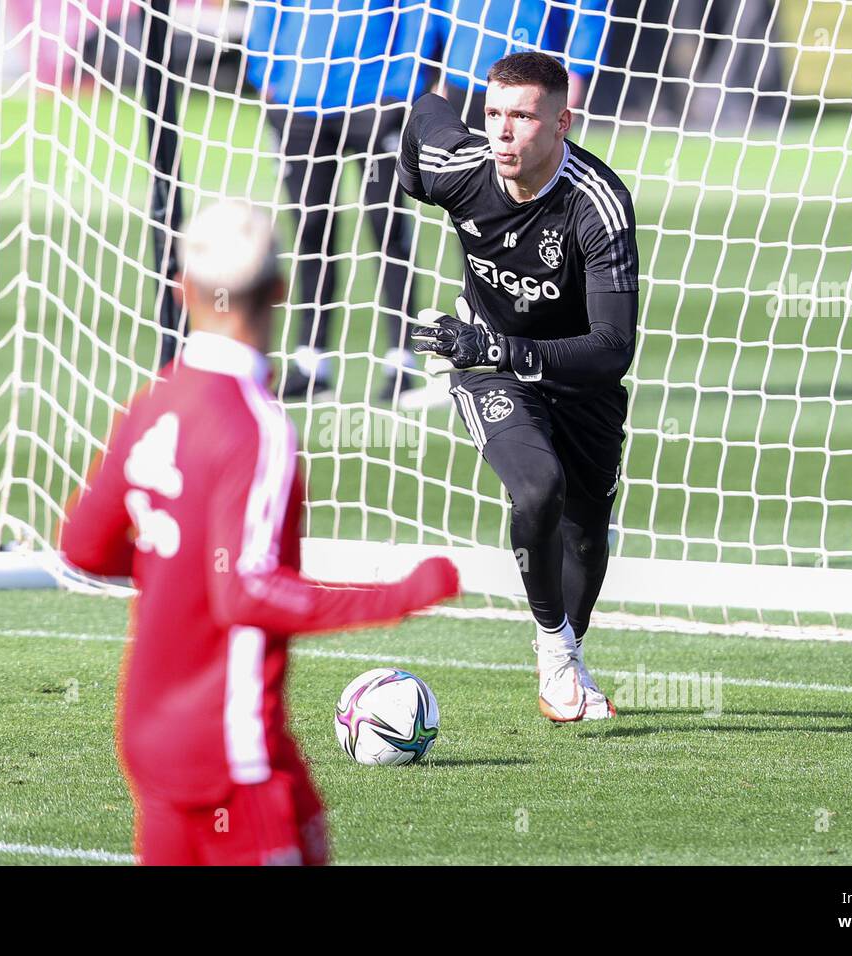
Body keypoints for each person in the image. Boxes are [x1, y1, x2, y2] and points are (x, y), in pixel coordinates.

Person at [59, 199, 461, 865]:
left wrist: (182, 566)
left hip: (149, 737)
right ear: (280, 290)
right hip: (231, 755)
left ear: (181, 289)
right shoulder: (257, 427)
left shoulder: (154, 401)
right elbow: (245, 593)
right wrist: (395, 596)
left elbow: (83, 546)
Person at [399, 51, 639, 722]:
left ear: (562, 122)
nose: (503, 133)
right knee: (537, 487)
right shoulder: (463, 168)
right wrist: (412, 169)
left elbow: (612, 349)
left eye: (523, 117)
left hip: (575, 375)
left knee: (587, 534)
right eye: (494, 114)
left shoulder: (598, 203)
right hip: (485, 365)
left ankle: (569, 650)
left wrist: (502, 345)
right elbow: (425, 118)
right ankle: (555, 654)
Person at [244, 0, 430, 404]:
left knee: (387, 229)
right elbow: (266, 14)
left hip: (373, 106)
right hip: (300, 106)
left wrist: (401, 86)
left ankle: (401, 362)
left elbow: (416, 16)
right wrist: (266, 78)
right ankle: (311, 364)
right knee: (311, 230)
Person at [422, 0, 609, 132]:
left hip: (533, 78)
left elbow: (590, 9)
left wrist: (578, 68)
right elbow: (431, 12)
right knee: (465, 178)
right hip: (463, 75)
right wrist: (436, 72)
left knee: (533, 178)